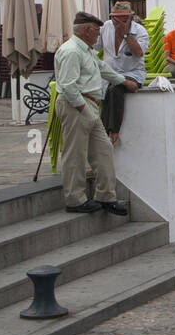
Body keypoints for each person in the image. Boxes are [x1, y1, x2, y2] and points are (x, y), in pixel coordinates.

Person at [54, 12, 128, 215]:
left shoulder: (87, 51)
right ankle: (75, 199)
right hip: (76, 105)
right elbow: (68, 86)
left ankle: (106, 196)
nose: (99, 35)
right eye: (97, 31)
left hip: (90, 106)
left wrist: (124, 81)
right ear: (87, 31)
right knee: (75, 154)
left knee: (104, 150)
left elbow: (103, 68)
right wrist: (82, 108)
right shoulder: (71, 51)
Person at [99, 0, 148, 146]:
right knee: (105, 93)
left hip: (132, 73)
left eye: (125, 19)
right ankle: (103, 133)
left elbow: (139, 53)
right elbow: (94, 45)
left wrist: (127, 35)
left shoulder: (139, 31)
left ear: (130, 18)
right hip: (109, 74)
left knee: (115, 88)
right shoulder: (105, 27)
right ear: (112, 18)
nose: (121, 22)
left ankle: (113, 132)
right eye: (117, 19)